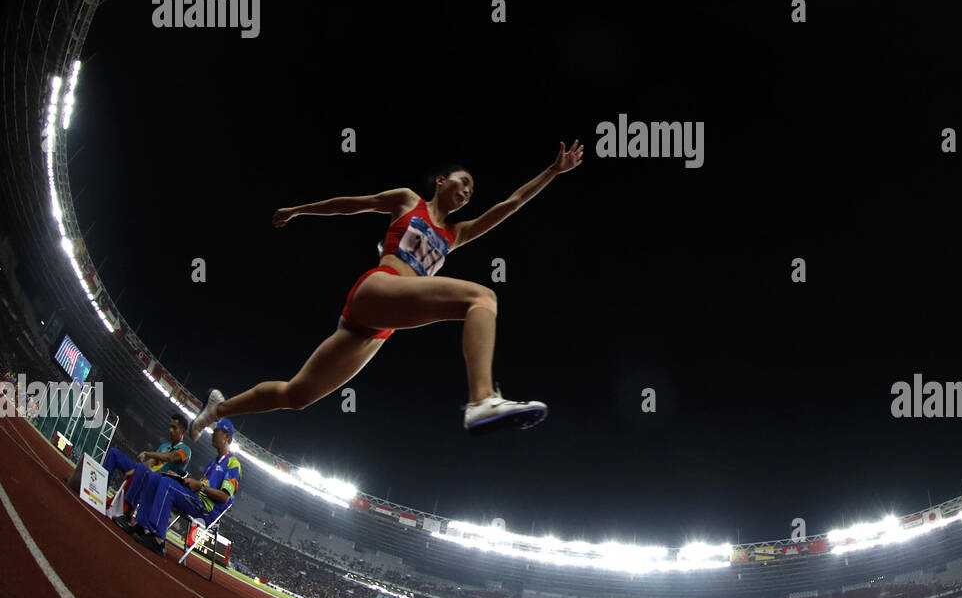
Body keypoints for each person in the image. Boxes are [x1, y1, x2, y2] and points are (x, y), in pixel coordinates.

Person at [191, 143, 583, 440]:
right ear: (441, 181)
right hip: (378, 288)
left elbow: (511, 203)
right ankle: (482, 399)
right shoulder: (408, 200)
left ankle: (217, 409)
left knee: (298, 395)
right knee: (483, 298)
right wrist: (299, 210)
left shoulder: (456, 233)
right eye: (463, 183)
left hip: (377, 327)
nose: (467, 192)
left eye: (472, 191)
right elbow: (351, 205)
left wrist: (552, 171)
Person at [130, 418, 241, 556]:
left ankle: (158, 540)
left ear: (226, 436)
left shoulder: (233, 463)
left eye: (216, 431)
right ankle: (142, 526)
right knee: (155, 478)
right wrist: (182, 479)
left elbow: (224, 497)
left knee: (167, 485)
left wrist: (200, 487)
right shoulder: (213, 463)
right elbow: (199, 486)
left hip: (206, 509)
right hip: (195, 499)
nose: (212, 434)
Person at [68, 415, 192, 527]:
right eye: (170, 426)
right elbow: (151, 463)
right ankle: (98, 492)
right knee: (114, 453)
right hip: (144, 473)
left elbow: (170, 457)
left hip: (158, 483)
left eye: (174, 428)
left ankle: (127, 512)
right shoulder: (164, 446)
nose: (171, 430)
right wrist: (136, 470)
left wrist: (147, 453)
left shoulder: (185, 450)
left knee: (142, 470)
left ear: (182, 431)